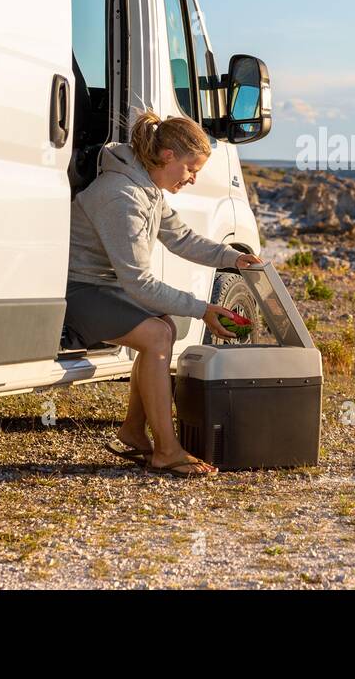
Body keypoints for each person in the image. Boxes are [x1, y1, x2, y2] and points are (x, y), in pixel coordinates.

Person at [65, 109, 264, 478]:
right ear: (168, 156)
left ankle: (132, 432)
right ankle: (166, 451)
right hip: (79, 291)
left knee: (164, 326)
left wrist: (232, 258)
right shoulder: (122, 197)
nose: (192, 179)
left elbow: (182, 238)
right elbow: (138, 282)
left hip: (101, 288)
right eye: (192, 169)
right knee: (157, 335)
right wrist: (203, 309)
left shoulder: (147, 191)